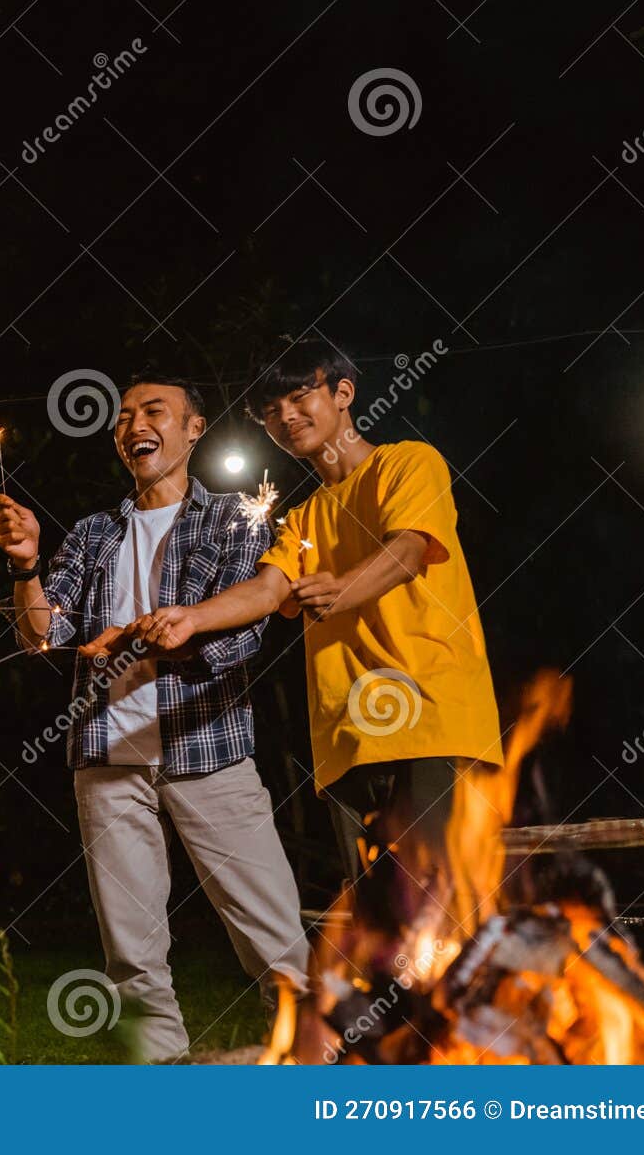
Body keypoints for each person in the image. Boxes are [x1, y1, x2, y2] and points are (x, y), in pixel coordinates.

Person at [84, 345, 503, 930]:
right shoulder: (301, 518)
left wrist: (342, 588)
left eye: (299, 396)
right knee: (381, 927)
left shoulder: (408, 462)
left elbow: (408, 549)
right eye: (270, 410)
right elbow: (266, 590)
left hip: (431, 718)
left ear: (343, 393)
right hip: (347, 737)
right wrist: (191, 618)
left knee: (443, 915)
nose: (286, 416)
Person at [0, 374, 309, 1063]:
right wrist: (25, 567)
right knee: (131, 956)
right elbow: (44, 634)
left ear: (194, 429)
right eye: (123, 416)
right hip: (107, 762)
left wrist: (157, 636)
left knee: (277, 940)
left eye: (153, 411)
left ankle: (313, 1074)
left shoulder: (233, 518)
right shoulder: (94, 533)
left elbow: (243, 637)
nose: (134, 424)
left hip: (209, 750)